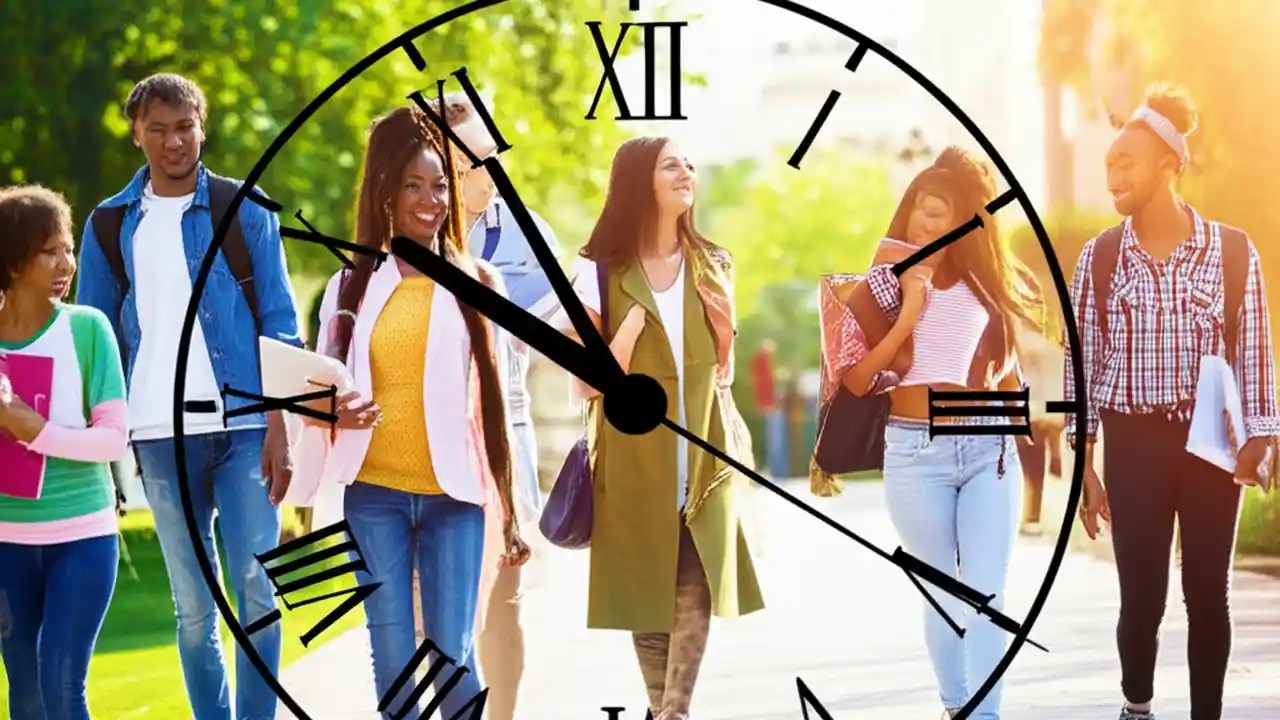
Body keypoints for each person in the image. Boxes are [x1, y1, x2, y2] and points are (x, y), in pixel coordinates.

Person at [287, 104, 530, 720]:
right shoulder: (351, 287)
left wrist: (511, 507)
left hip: (456, 498)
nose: (431, 201)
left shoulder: (479, 280)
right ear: (386, 195)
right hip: (375, 495)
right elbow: (316, 388)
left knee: (454, 657)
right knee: (392, 658)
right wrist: (335, 412)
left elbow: (494, 406)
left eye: (440, 186)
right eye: (413, 187)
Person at [75, 73, 303, 720]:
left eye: (185, 127)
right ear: (136, 134)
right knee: (194, 606)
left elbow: (280, 323)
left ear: (202, 126)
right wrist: (101, 447)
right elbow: (95, 336)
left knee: (255, 591)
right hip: (157, 434)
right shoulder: (110, 224)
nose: (174, 141)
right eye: (159, 129)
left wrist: (283, 424)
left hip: (246, 428)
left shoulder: (245, 208)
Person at [1068, 84, 1279, 720]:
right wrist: (1085, 464)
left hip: (1210, 442)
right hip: (1133, 444)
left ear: (1168, 164)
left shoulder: (1234, 252)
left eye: (1126, 162)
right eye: (1108, 165)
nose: (1113, 176)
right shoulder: (1100, 258)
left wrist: (1263, 435)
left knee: (1208, 594)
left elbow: (1255, 351)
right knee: (1142, 598)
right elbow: (1084, 370)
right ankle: (1138, 706)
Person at [555, 136, 764, 720]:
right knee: (649, 595)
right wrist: (627, 333)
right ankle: (661, 710)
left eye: (691, 163)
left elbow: (721, 372)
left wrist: (727, 333)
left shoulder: (715, 264)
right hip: (632, 456)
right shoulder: (597, 271)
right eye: (672, 163)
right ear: (638, 180)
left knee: (694, 580)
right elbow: (582, 383)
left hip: (704, 452)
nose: (687, 172)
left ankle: (673, 712)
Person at [844, 147, 1045, 720]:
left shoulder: (988, 282)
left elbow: (1007, 369)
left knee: (987, 595)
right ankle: (955, 704)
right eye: (922, 209)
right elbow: (857, 379)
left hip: (987, 448)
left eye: (945, 212)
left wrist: (1025, 418)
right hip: (915, 449)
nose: (929, 221)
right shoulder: (884, 281)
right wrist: (909, 310)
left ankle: (983, 714)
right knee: (941, 594)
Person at [445, 90, 557, 720]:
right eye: (475, 159)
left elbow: (551, 331)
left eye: (494, 155)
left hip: (499, 422)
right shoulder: (404, 223)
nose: (491, 171)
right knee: (432, 599)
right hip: (424, 425)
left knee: (504, 591)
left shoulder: (525, 231)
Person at [0, 185, 128, 720]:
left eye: (68, 248)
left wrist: (33, 428)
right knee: (24, 693)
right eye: (49, 250)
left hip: (82, 533)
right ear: (12, 260)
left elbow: (112, 439)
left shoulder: (88, 328)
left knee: (60, 679)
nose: (66, 263)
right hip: (6, 539)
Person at [752, 339, 787, 477]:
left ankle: (776, 470)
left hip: (769, 405)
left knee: (773, 437)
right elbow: (766, 385)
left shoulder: (763, 363)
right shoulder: (764, 362)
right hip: (771, 406)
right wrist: (771, 404)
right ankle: (777, 471)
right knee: (775, 438)